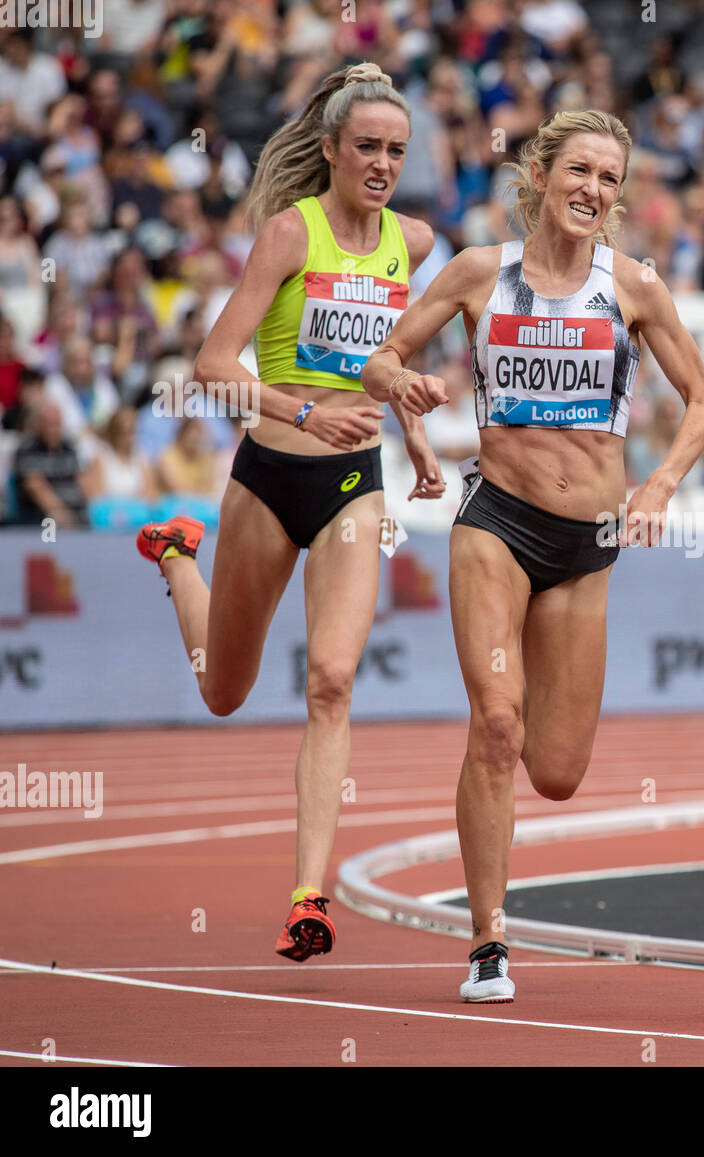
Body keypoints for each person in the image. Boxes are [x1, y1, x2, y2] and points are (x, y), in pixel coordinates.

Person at [363, 109, 704, 1002]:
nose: (593, 190)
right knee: (496, 725)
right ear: (541, 175)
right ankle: (489, 939)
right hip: (498, 522)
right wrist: (404, 383)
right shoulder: (482, 274)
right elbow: (382, 357)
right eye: (580, 171)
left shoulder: (633, 288)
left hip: (590, 543)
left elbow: (703, 399)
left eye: (609, 177)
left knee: (556, 770)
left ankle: (506, 762)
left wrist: (660, 485)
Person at [134, 63, 445, 963]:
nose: (383, 164)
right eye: (368, 149)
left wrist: (417, 442)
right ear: (331, 150)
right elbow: (212, 364)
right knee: (223, 691)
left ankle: (310, 895)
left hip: (356, 483)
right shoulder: (289, 232)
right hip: (270, 471)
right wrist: (302, 409)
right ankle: (175, 555)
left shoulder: (413, 243)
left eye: (396, 150)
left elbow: (389, 364)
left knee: (333, 683)